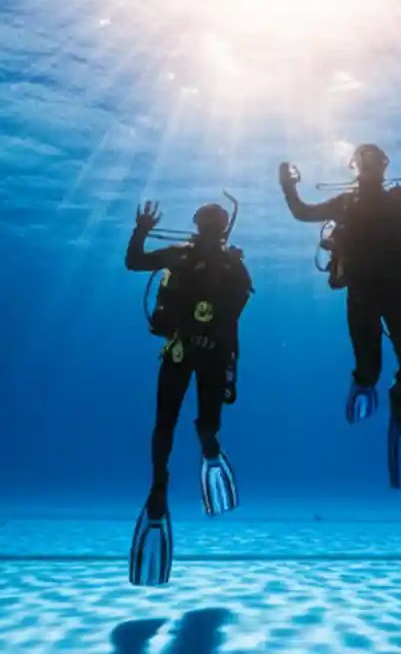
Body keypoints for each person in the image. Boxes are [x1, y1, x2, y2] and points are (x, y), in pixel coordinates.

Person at [278, 143, 401, 489]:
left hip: (396, 293)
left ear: (385, 166)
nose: (371, 165)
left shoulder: (397, 201)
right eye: (365, 160)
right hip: (361, 294)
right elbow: (301, 212)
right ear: (355, 166)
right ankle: (365, 383)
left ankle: (398, 396)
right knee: (369, 368)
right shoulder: (345, 203)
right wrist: (288, 186)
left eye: (376, 160)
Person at [125, 198, 252, 586]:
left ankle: (162, 481)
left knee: (173, 423)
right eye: (209, 223)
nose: (211, 229)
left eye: (212, 223)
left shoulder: (202, 260)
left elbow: (135, 262)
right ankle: (185, 464)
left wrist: (142, 230)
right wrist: (141, 231)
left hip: (186, 353)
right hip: (199, 354)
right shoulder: (221, 262)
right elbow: (234, 321)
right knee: (192, 425)